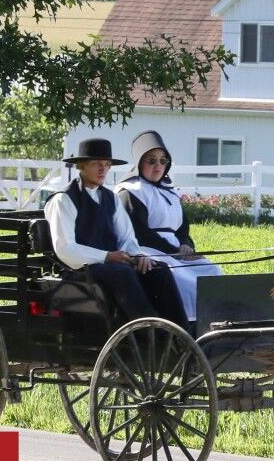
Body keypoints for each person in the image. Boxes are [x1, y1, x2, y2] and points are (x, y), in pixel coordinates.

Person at [44, 137, 188, 331]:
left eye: (106, 165)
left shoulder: (110, 198)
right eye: (96, 164)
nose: (103, 170)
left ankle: (180, 332)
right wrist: (108, 257)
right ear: (81, 166)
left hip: (110, 264)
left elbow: (126, 237)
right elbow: (66, 249)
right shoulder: (64, 200)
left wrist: (137, 255)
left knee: (158, 269)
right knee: (122, 273)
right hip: (78, 270)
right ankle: (149, 332)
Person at [115, 130, 222, 327]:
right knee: (185, 282)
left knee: (212, 271)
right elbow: (140, 234)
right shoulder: (130, 191)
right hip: (147, 251)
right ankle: (189, 327)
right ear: (140, 162)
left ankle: (218, 322)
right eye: (152, 160)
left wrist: (185, 245)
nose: (158, 166)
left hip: (176, 252)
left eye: (163, 161)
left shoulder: (170, 192)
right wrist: (174, 251)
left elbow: (182, 228)